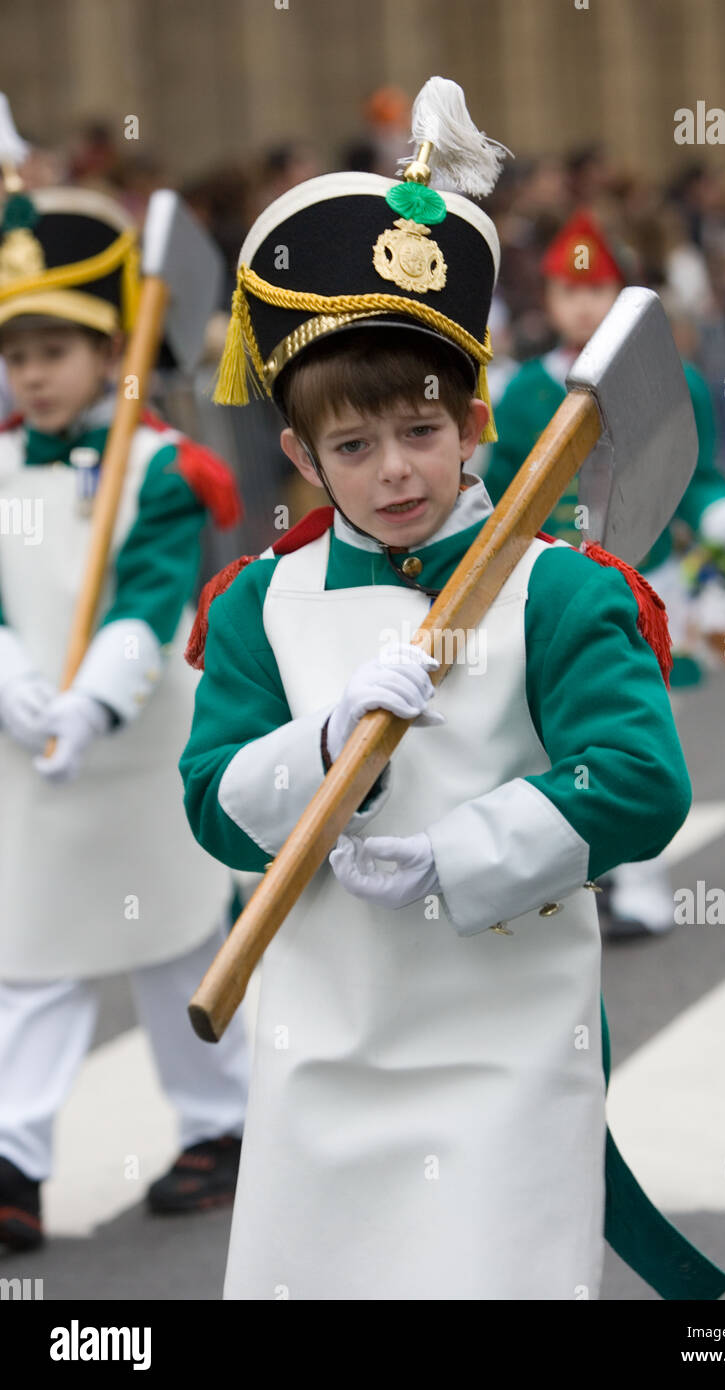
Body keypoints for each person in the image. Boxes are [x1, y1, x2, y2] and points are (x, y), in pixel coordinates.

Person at [179, 77, 725, 1300]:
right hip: (322, 1047)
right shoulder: (256, 606)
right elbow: (212, 798)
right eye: (353, 446)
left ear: (473, 415)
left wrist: (461, 853)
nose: (392, 473)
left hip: (505, 1040)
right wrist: (318, 740)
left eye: (420, 431)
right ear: (299, 456)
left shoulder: (561, 592)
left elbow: (638, 781)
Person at [0, 184, 250, 1250]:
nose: (34, 373)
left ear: (112, 353)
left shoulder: (158, 468)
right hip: (26, 749)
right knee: (30, 953)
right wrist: (7, 672)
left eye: (56, 348)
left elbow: (151, 601)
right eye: (17, 354)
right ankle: (13, 1156)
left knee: (175, 946)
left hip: (137, 742)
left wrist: (95, 698)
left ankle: (221, 1121)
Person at [483, 209, 725, 937]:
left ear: (622, 294)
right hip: (550, 592)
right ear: (547, 301)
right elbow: (500, 492)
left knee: (638, 745)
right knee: (560, 742)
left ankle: (644, 894)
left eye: (598, 288)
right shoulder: (524, 393)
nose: (582, 304)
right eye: (566, 291)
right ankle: (581, 880)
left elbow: (698, 474)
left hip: (646, 591)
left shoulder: (669, 378)